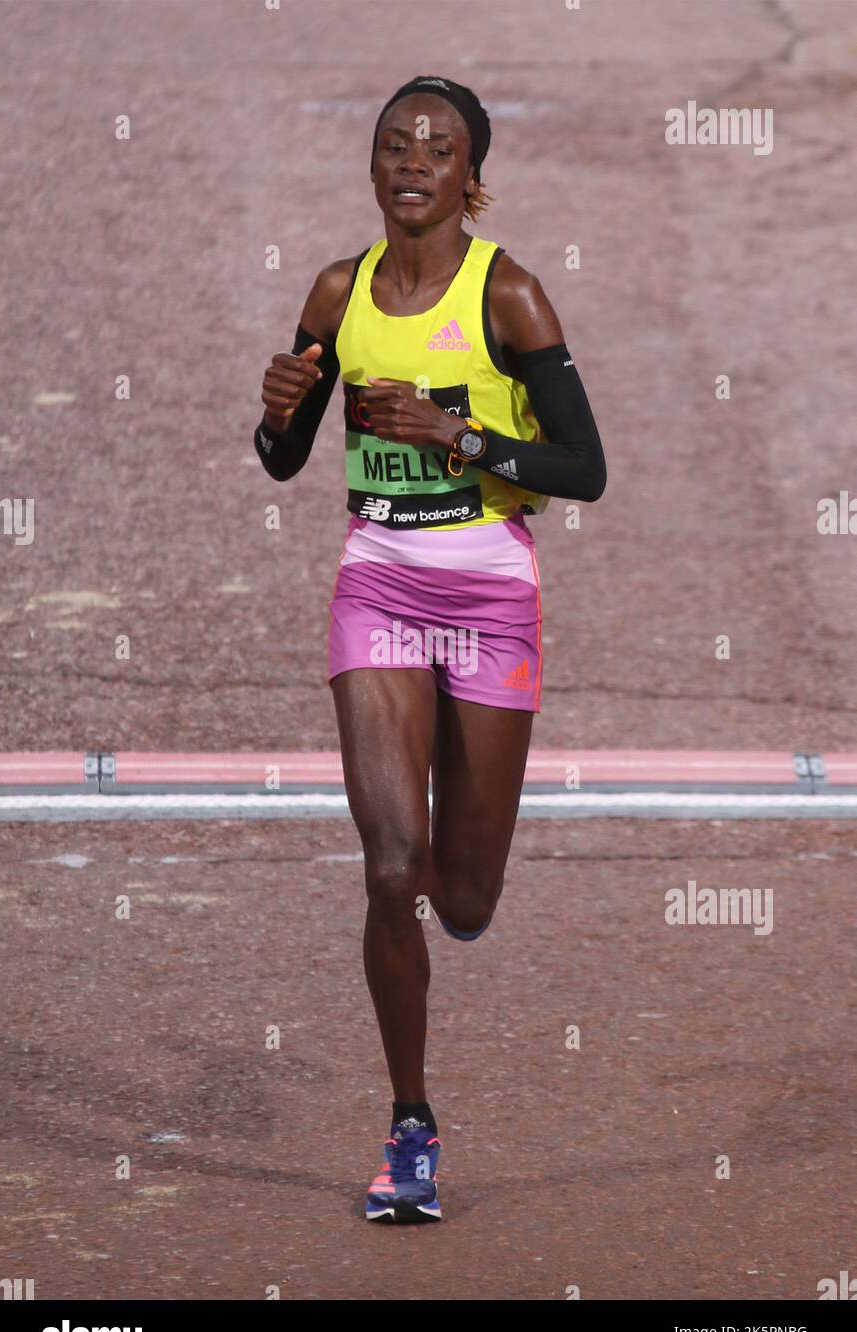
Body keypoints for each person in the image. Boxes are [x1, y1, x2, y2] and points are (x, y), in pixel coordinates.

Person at [254, 75, 606, 1223]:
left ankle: (465, 873)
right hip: (379, 583)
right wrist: (276, 410)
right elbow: (284, 452)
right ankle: (410, 1123)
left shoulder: (509, 295)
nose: (413, 158)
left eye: (438, 147)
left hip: (492, 596)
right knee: (391, 865)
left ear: (470, 177)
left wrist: (455, 432)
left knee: (459, 892)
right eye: (395, 143)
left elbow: (583, 470)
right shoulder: (333, 291)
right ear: (372, 170)